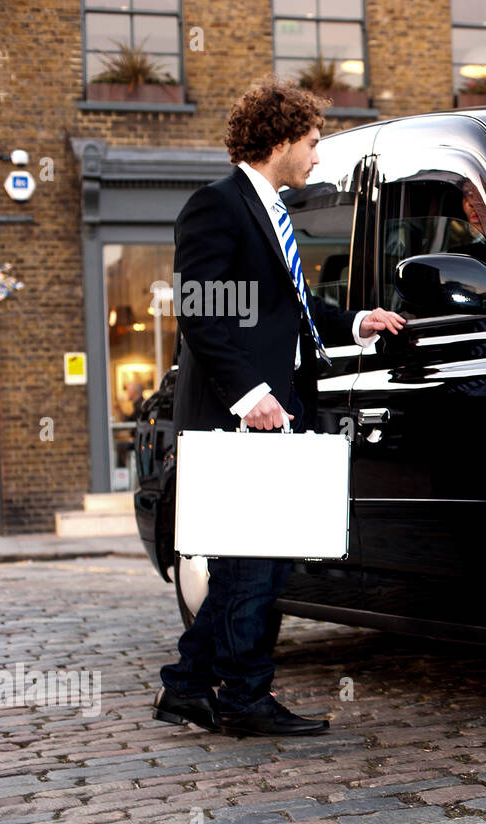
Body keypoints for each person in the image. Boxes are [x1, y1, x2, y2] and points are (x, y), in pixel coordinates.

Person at [154, 78, 406, 737]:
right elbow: (204, 314)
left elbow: (287, 313)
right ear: (281, 141)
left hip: (271, 411)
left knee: (252, 566)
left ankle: (187, 686)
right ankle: (240, 697)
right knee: (255, 569)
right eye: (314, 144)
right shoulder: (216, 206)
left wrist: (356, 320)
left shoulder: (270, 211)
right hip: (238, 417)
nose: (319, 157)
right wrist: (251, 395)